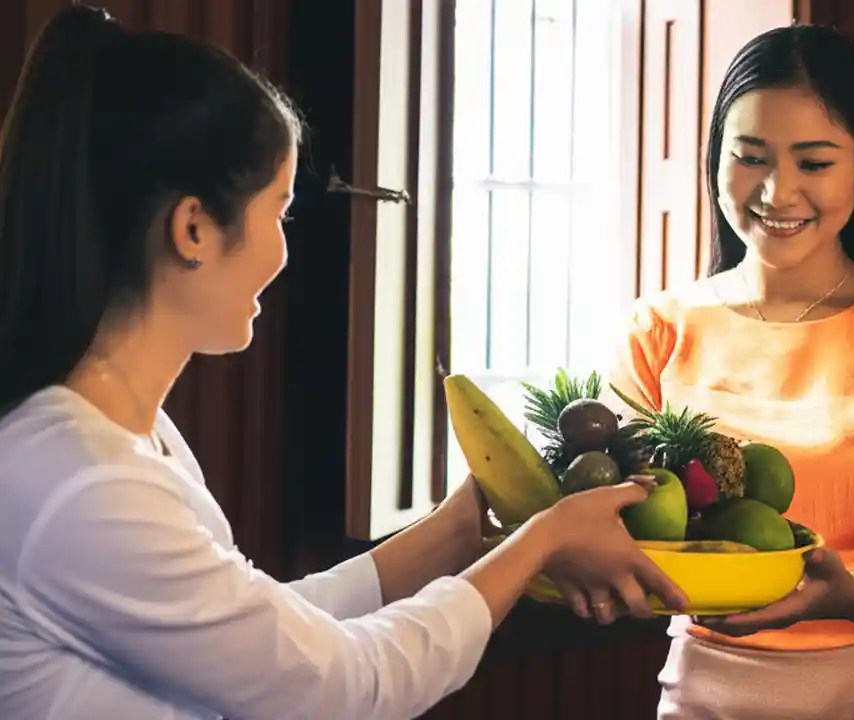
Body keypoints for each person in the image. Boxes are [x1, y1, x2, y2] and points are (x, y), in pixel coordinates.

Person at [0, 7, 685, 719]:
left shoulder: (124, 439)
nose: (283, 253)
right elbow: (332, 687)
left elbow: (265, 636)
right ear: (194, 228)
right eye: (281, 211)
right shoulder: (83, 482)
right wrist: (540, 544)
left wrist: (459, 529)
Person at [609, 25, 854, 719]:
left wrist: (841, 595)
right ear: (714, 162)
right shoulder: (657, 329)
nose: (778, 192)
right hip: (709, 687)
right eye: (750, 158)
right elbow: (618, 525)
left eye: (814, 163)